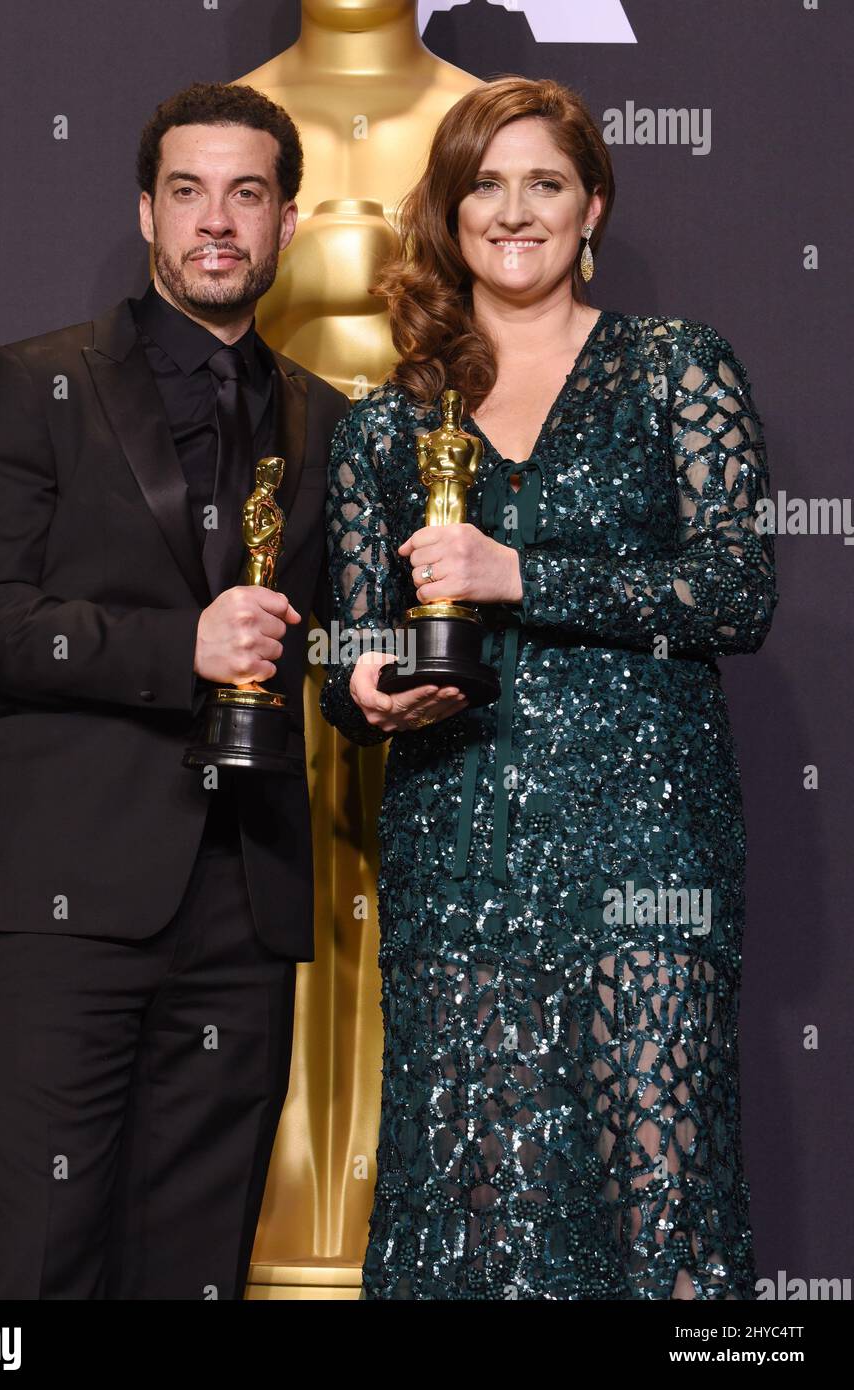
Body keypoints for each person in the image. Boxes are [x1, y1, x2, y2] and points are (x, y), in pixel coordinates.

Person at [320, 75, 777, 1300]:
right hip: (460, 847)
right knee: (481, 1202)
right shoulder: (383, 427)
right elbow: (348, 644)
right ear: (449, 214)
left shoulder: (676, 370)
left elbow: (737, 593)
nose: (514, 211)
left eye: (546, 184)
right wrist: (365, 689)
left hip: (649, 840)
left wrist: (518, 572)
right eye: (485, 184)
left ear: (594, 209)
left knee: (665, 1186)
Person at [0, 81, 347, 1300]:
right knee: (43, 1267)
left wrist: (380, 687)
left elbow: (314, 640)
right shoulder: (29, 382)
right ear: (147, 214)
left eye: (247, 194)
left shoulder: (328, 422)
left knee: (199, 1272)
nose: (218, 219)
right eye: (188, 192)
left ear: (287, 224)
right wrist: (181, 652)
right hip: (60, 910)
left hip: (245, 909)